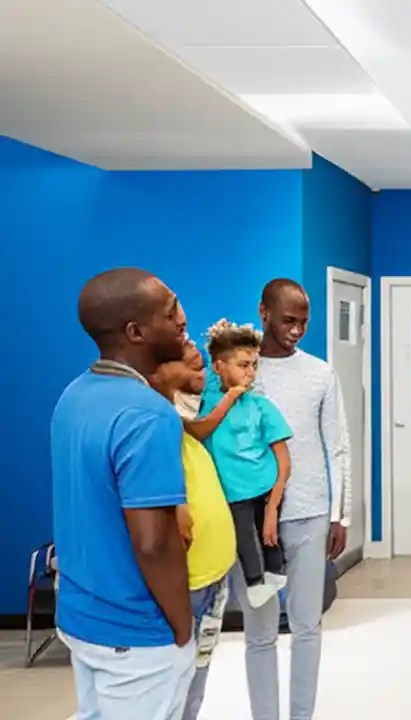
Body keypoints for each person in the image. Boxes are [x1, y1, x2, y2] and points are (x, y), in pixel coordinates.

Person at [51, 267, 193, 719]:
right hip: (136, 636)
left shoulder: (74, 396)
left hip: (81, 618)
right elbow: (154, 542)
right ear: (136, 332)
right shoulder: (148, 414)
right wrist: (182, 626)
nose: (183, 318)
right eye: (171, 311)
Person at [229, 278, 352, 720]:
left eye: (303, 322)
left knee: (307, 626)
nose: (297, 330)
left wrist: (340, 515)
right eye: (288, 320)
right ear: (263, 313)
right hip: (250, 519)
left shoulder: (320, 373)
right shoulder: (241, 371)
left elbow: (337, 447)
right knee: (259, 633)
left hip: (310, 514)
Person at [148, 341, 238, 720]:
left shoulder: (180, 426)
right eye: (190, 365)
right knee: (177, 690)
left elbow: (199, 422)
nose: (199, 373)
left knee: (194, 686)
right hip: (189, 585)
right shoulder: (154, 426)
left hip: (212, 580)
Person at [194, 320, 293, 609]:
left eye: (254, 365)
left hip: (264, 482)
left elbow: (284, 459)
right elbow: (207, 368)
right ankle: (254, 581)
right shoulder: (207, 398)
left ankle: (275, 570)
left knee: (268, 534)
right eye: (243, 365)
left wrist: (273, 506)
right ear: (219, 367)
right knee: (244, 536)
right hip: (232, 489)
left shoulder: (260, 405)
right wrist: (220, 336)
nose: (250, 372)